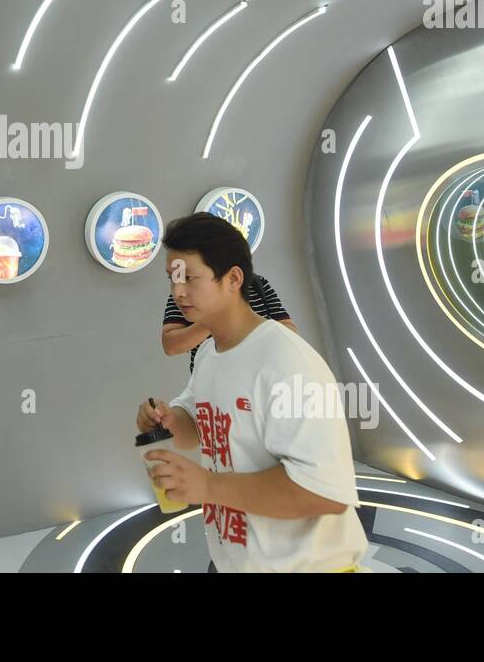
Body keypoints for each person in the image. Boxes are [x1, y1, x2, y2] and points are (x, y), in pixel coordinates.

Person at [138, 213, 367, 572]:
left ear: (232, 278)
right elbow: (195, 427)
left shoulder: (289, 362)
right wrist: (165, 419)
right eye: (172, 278)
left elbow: (325, 492)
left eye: (190, 278)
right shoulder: (211, 354)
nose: (177, 291)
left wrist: (207, 486)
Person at [162, 269, 297, 372]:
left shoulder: (256, 283)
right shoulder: (184, 293)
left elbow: (290, 331)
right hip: (212, 389)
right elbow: (171, 346)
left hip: (262, 379)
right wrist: (214, 318)